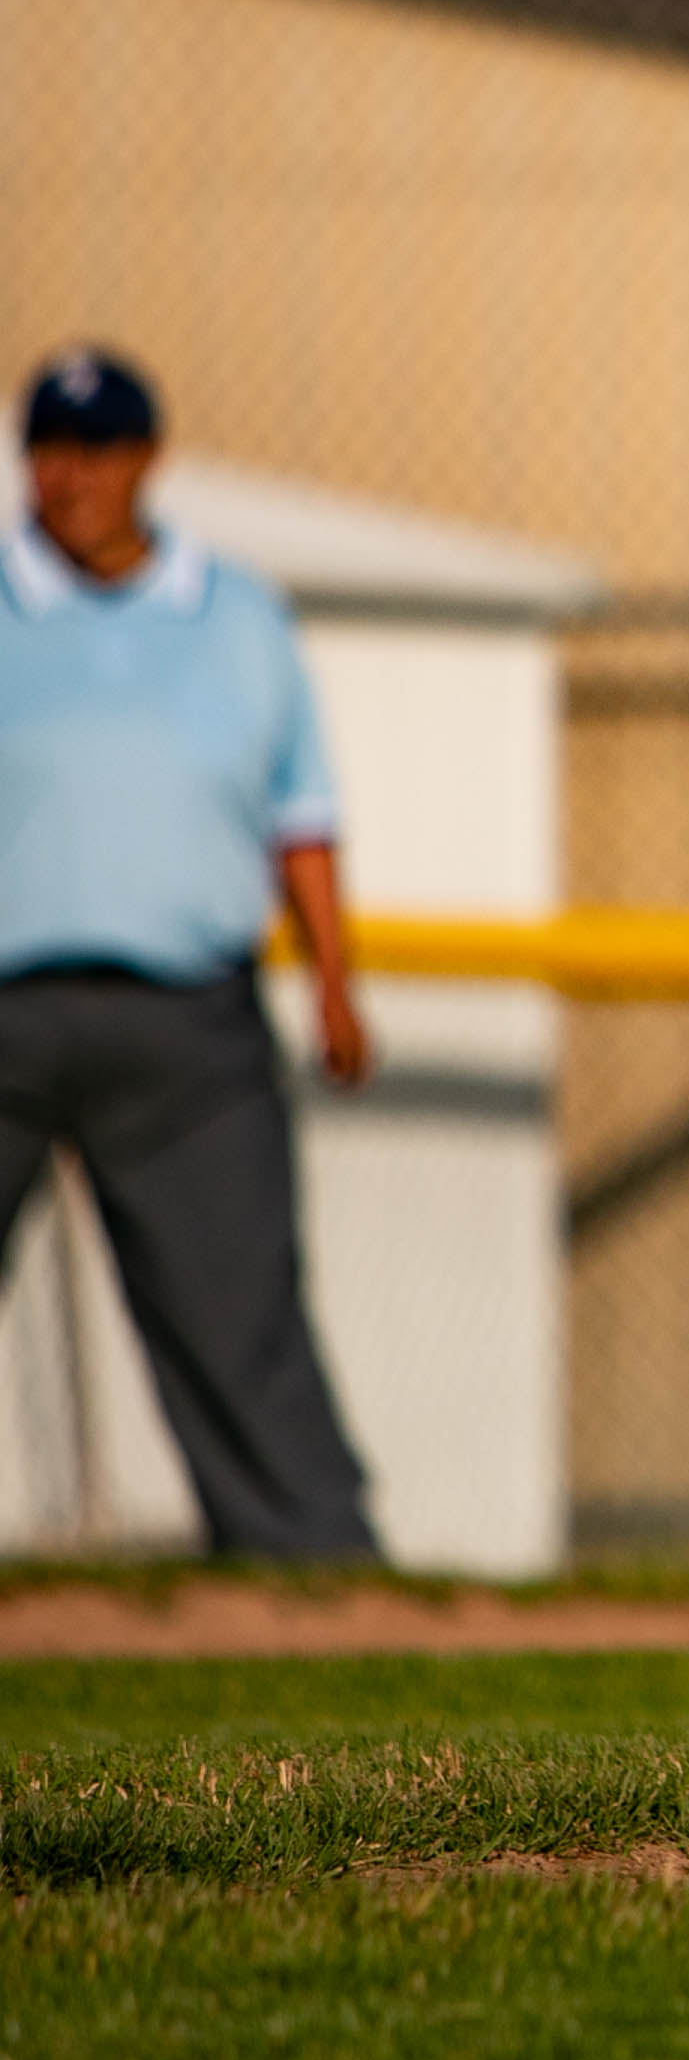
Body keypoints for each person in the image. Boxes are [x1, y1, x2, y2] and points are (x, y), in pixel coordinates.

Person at [0, 346, 381, 1559]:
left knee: (239, 1313)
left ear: (147, 461)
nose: (68, 480)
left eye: (96, 452)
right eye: (47, 452)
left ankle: (318, 1580)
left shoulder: (237, 617)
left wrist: (334, 982)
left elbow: (302, 817)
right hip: (7, 1011)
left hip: (189, 1026)